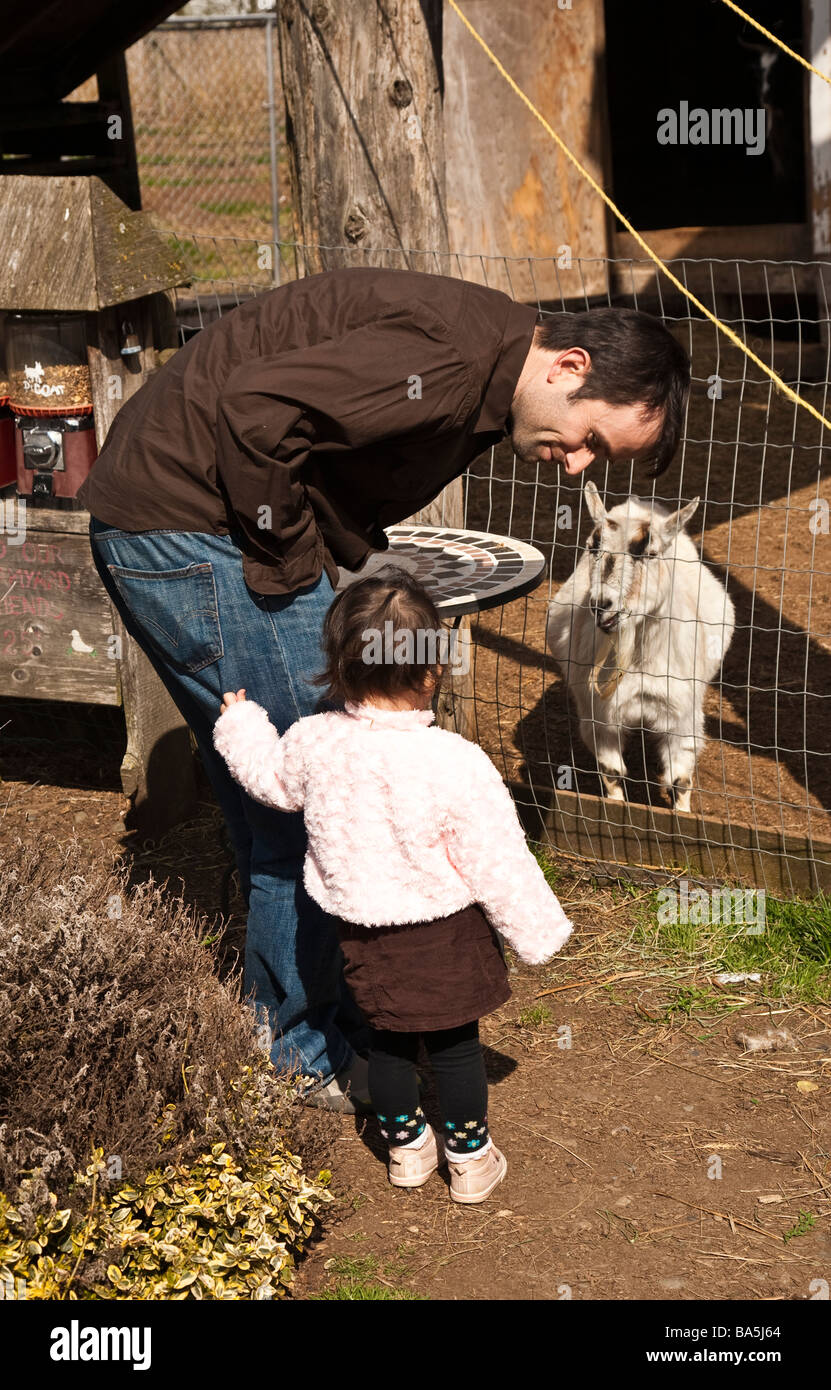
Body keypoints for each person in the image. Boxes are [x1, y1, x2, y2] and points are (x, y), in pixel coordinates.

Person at [80, 265, 690, 1111]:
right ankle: (297, 1055)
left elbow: (319, 455)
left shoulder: (490, 369)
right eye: (589, 439)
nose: (574, 466)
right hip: (188, 530)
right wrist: (294, 574)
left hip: (187, 525)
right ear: (569, 367)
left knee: (286, 807)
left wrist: (359, 565)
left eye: (596, 460)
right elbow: (256, 416)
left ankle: (309, 1022)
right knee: (314, 811)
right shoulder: (450, 360)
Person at [212, 568, 574, 1204]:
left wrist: (241, 723)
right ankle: (469, 1160)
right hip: (445, 935)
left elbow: (269, 780)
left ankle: (406, 1150)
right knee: (457, 1050)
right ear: (432, 670)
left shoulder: (315, 743)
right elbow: (498, 859)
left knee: (389, 1044)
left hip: (364, 936)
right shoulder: (454, 762)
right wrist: (536, 932)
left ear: (339, 665)